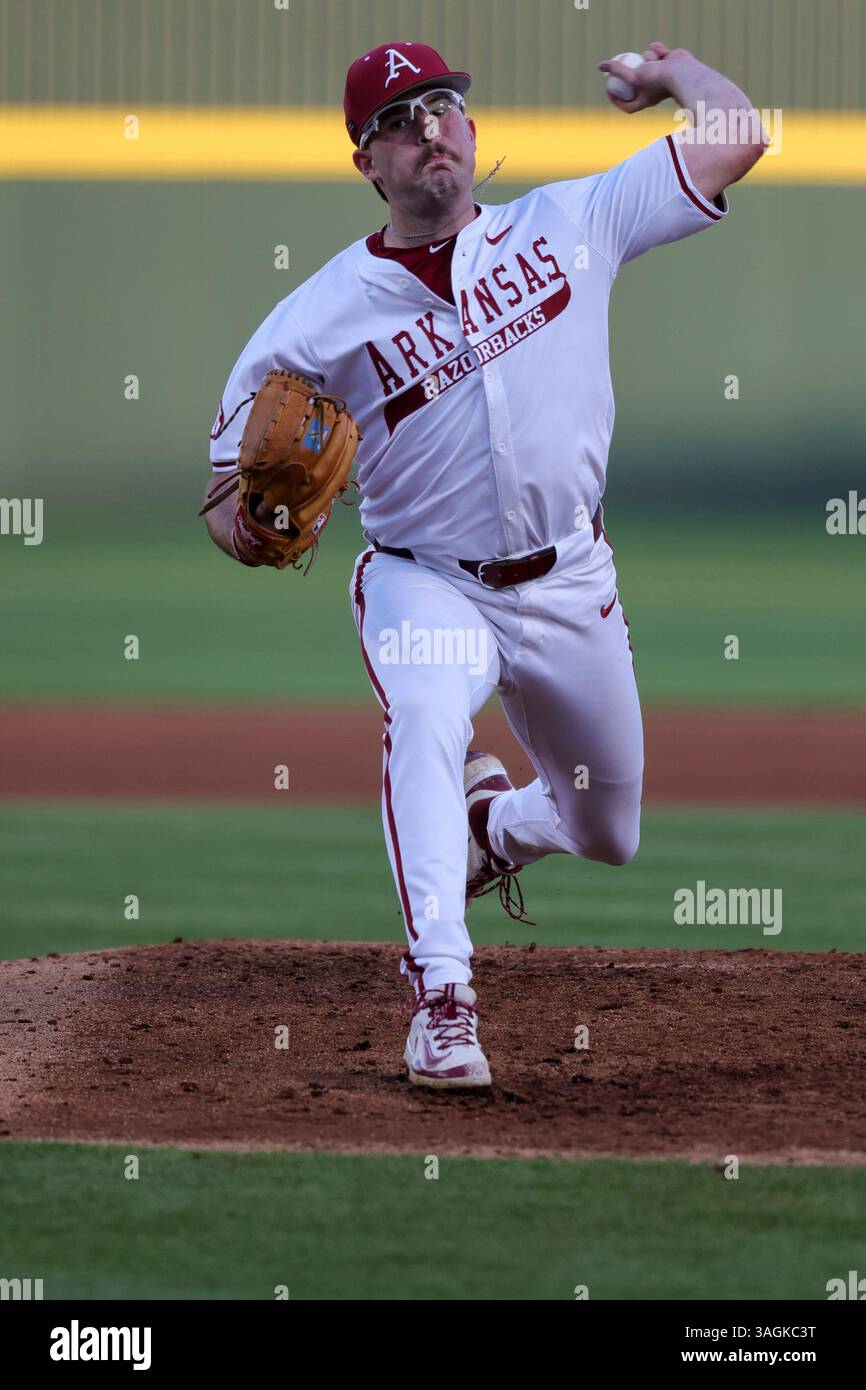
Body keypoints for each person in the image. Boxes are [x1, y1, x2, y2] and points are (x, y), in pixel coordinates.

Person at [203, 40, 766, 1089]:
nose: (430, 131)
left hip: (567, 581)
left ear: (467, 125)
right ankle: (443, 998)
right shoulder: (316, 318)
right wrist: (248, 529)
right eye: (400, 122)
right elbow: (224, 491)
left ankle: (489, 826)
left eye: (443, 108)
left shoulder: (568, 222)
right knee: (424, 717)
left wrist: (676, 72)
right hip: (428, 578)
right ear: (366, 161)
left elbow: (739, 135)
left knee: (607, 830)